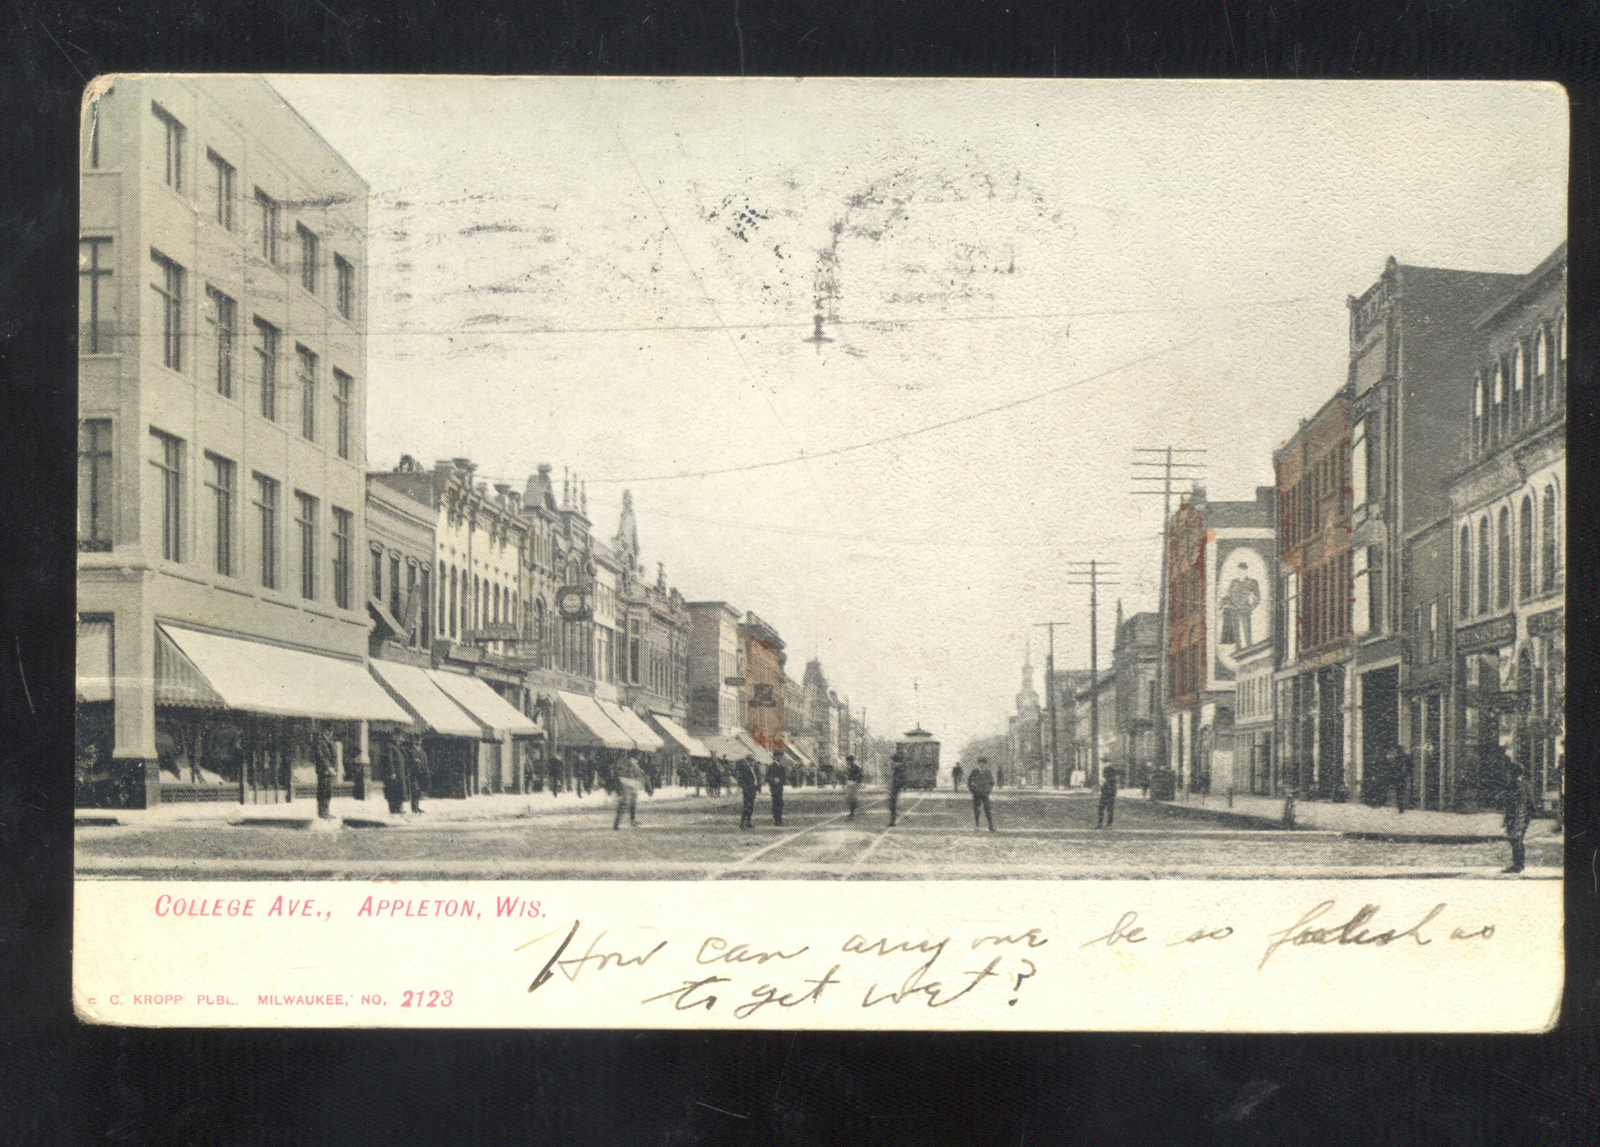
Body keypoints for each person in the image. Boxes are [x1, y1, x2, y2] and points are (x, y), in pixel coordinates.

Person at [1501, 758, 1536, 874]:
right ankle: (1519, 864)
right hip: (1523, 815)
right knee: (1517, 840)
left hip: (1517, 815)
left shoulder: (1516, 785)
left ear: (1513, 773)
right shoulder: (1524, 783)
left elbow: (1517, 803)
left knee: (1516, 840)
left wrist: (1515, 818)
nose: (1507, 774)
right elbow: (1531, 803)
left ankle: (1518, 865)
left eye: (1509, 772)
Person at [613, 754, 645, 829]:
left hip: (630, 785)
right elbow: (639, 774)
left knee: (630, 803)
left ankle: (627, 821)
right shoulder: (631, 764)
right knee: (625, 803)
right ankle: (617, 823)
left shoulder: (628, 764)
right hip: (627, 785)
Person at [313, 727, 337, 819]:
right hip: (323, 770)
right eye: (328, 730)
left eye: (331, 731)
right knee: (322, 791)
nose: (330, 732)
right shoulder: (319, 742)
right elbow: (321, 757)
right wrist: (327, 767)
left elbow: (334, 756)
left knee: (328, 791)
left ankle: (327, 811)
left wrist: (334, 769)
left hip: (330, 771)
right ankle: (322, 813)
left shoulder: (330, 742)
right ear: (324, 731)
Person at [968, 757, 995, 832]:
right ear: (978, 763)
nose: (982, 764)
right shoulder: (974, 771)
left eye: (983, 763)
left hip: (985, 793)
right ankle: (977, 826)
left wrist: (988, 790)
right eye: (980, 763)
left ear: (985, 764)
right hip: (976, 793)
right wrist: (973, 790)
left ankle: (990, 825)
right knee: (976, 810)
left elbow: (992, 782)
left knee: (987, 809)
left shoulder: (988, 772)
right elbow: (969, 781)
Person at [1386, 744, 1414, 814]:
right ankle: (1403, 806)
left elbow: (1392, 768)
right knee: (1401, 791)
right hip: (1401, 777)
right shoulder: (1403, 757)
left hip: (1399, 777)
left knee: (1399, 792)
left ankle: (1402, 806)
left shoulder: (1398, 758)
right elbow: (1410, 766)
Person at [382, 737, 405, 815]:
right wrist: (392, 772)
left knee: (398, 790)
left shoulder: (396, 747)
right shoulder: (390, 747)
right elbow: (389, 760)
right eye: (399, 737)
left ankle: (397, 808)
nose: (401, 739)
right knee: (393, 791)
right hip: (395, 774)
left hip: (399, 774)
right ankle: (394, 809)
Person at [734, 756, 758, 829]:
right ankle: (742, 822)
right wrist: (745, 787)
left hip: (753, 788)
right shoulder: (745, 769)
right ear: (748, 761)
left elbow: (755, 778)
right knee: (747, 806)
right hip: (748, 789)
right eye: (751, 761)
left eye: (753, 761)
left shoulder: (752, 768)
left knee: (751, 806)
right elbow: (741, 780)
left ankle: (748, 821)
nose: (752, 763)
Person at [408, 734, 429, 813]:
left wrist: (426, 772)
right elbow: (408, 762)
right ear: (414, 741)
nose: (418, 742)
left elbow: (425, 763)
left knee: (419, 790)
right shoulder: (411, 751)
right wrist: (414, 762)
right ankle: (414, 807)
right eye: (416, 740)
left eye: (419, 740)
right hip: (414, 773)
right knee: (414, 790)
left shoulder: (422, 752)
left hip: (421, 773)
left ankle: (417, 806)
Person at [1097, 764, 1120, 829]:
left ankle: (1106, 824)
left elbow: (1110, 786)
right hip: (1107, 794)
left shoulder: (1111, 780)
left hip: (1108, 794)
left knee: (1108, 809)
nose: (1104, 775)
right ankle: (1103, 824)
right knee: (1103, 808)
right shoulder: (1110, 780)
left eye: (1105, 773)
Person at [888, 751, 907, 827]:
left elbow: (892, 765)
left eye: (893, 760)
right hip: (895, 786)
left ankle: (893, 821)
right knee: (892, 804)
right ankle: (893, 820)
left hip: (895, 787)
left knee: (892, 804)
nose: (892, 761)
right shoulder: (899, 768)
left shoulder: (898, 767)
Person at [767, 755, 787, 827]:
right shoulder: (771, 766)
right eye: (779, 757)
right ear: (775, 758)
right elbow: (768, 777)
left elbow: (784, 776)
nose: (780, 759)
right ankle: (776, 820)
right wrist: (773, 781)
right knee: (776, 803)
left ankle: (779, 818)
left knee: (780, 803)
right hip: (774, 788)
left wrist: (781, 780)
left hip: (780, 787)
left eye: (780, 757)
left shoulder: (781, 766)